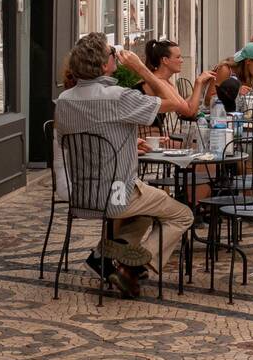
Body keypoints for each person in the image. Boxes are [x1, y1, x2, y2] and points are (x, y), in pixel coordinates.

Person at [53, 34, 195, 299]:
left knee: (143, 213)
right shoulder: (119, 97)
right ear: (103, 64)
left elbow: (91, 132)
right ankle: (133, 268)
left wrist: (128, 141)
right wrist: (141, 69)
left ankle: (103, 256)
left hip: (81, 194)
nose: (115, 55)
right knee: (181, 214)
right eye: (111, 53)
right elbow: (178, 105)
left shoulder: (64, 100)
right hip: (117, 193)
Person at [142, 38, 215, 127]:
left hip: (156, 136)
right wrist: (198, 83)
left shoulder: (163, 80)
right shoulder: (159, 82)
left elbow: (182, 106)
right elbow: (190, 112)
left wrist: (202, 85)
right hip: (150, 137)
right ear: (165, 60)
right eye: (178, 57)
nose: (182, 60)